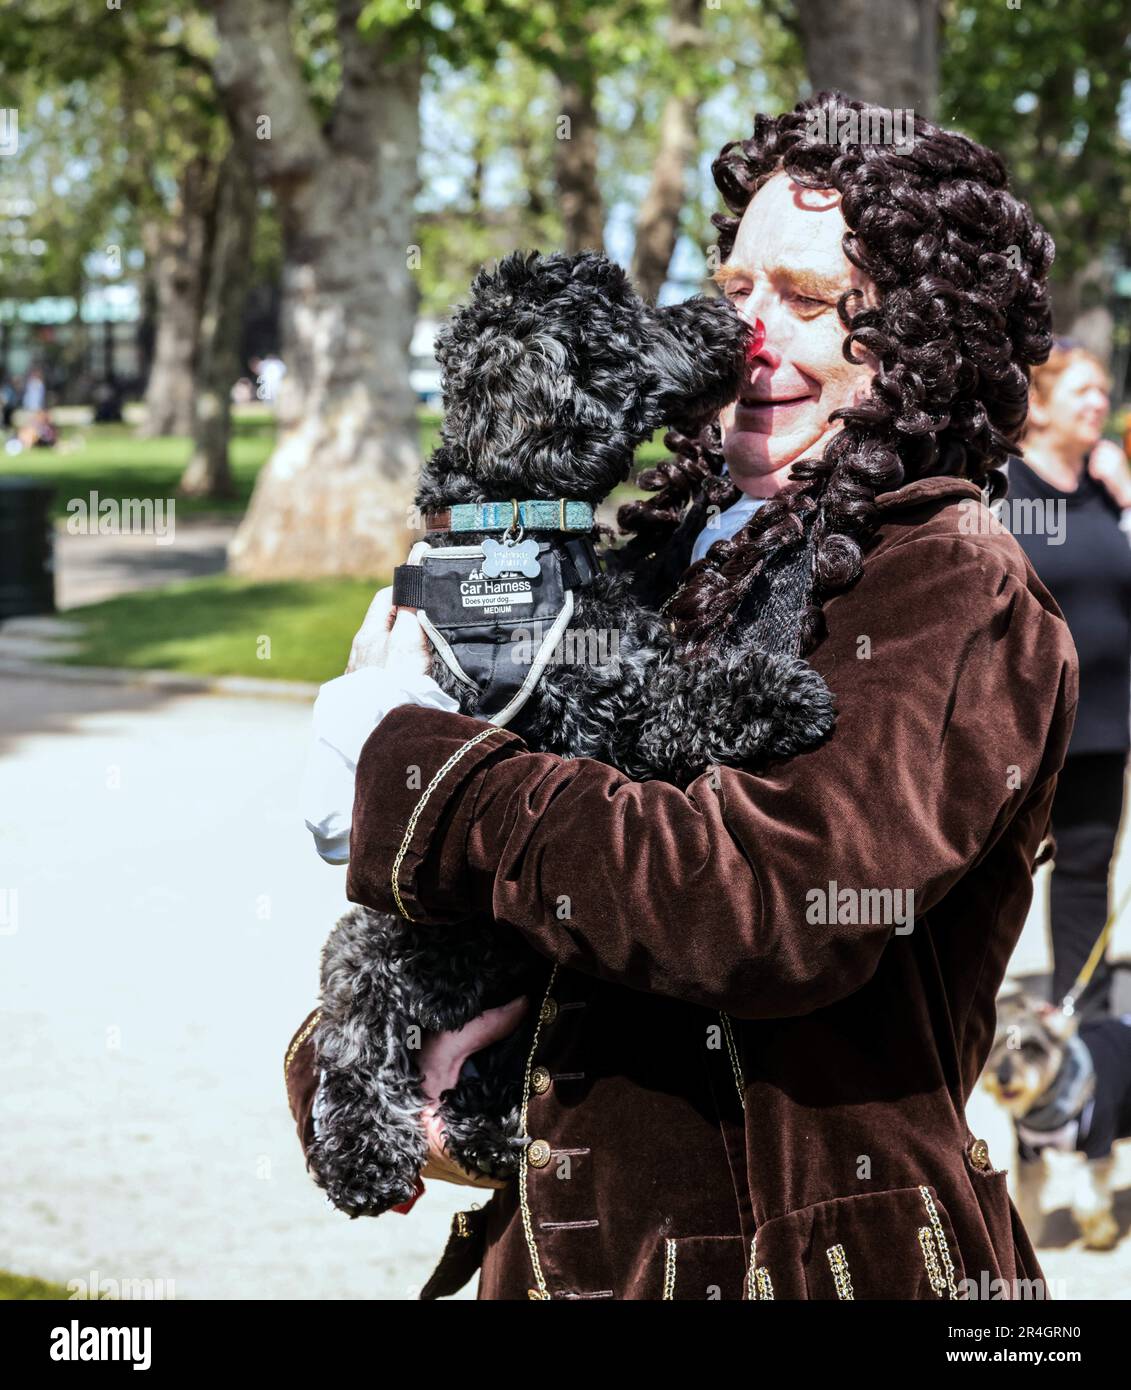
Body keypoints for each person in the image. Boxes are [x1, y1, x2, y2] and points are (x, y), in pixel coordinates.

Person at [289, 94, 1078, 1300]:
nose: (750, 336)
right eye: (736, 289)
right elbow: (509, 914)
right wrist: (371, 1069)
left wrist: (423, 768)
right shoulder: (651, 555)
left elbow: (765, 901)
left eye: (809, 302)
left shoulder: (949, 579)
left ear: (925, 334)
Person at [1004, 346, 1131, 1021]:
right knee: (985, 886)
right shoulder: (1002, 487)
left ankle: (1079, 1048)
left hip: (1104, 729)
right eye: (1081, 390)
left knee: (1085, 881)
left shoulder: (1105, 492)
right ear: (1039, 403)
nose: (1098, 402)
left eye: (1103, 390)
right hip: (1018, 735)